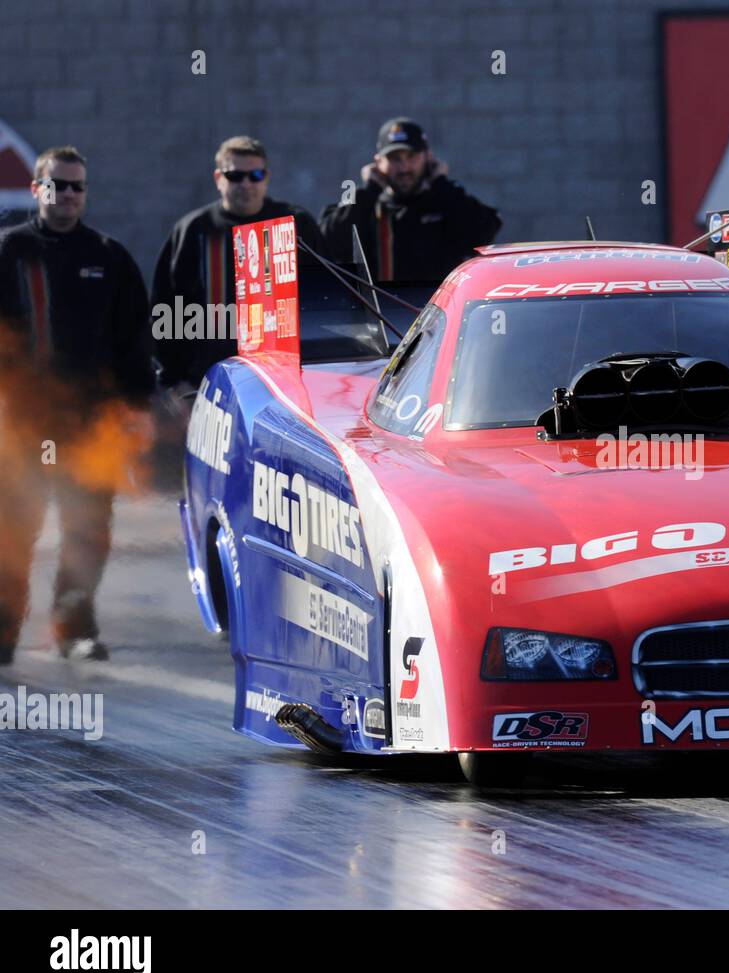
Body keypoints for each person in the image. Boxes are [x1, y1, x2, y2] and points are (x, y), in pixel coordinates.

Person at [0, 146, 155, 662]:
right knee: (13, 531)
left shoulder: (109, 258)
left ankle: (73, 629)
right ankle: (2, 635)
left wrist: (136, 409)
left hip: (88, 427)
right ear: (37, 189)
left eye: (76, 187)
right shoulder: (9, 254)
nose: (67, 195)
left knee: (87, 531)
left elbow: (134, 341)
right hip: (21, 425)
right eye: (57, 185)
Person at [152, 135, 323, 391]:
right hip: (207, 382)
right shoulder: (193, 230)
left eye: (255, 175)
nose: (245, 184)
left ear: (266, 177)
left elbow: (325, 296)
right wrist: (174, 380)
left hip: (283, 382)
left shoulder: (294, 223)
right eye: (235, 176)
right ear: (218, 178)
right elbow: (166, 307)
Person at [319, 117, 501, 283]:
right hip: (380, 313)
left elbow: (483, 232)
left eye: (412, 157)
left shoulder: (447, 200)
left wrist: (442, 184)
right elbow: (331, 241)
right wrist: (368, 190)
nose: (404, 167)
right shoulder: (366, 205)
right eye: (394, 159)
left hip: (438, 313)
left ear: (428, 158)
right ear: (378, 162)